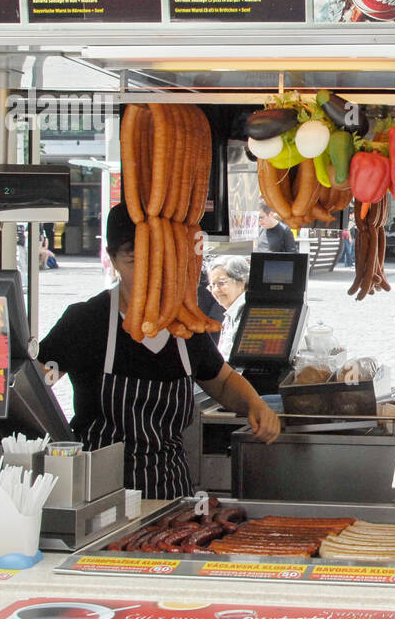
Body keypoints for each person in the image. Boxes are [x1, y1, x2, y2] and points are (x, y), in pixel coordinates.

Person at [39, 204, 280, 498]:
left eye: (157, 262)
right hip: (99, 495)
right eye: (132, 262)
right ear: (113, 260)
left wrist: (255, 405)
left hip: (169, 489)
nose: (147, 276)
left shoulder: (185, 324)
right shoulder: (85, 321)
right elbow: (36, 385)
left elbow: (224, 381)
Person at [207, 255, 250, 360]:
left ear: (241, 281)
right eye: (212, 286)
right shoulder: (231, 313)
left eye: (221, 283)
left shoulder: (247, 315)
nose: (215, 290)